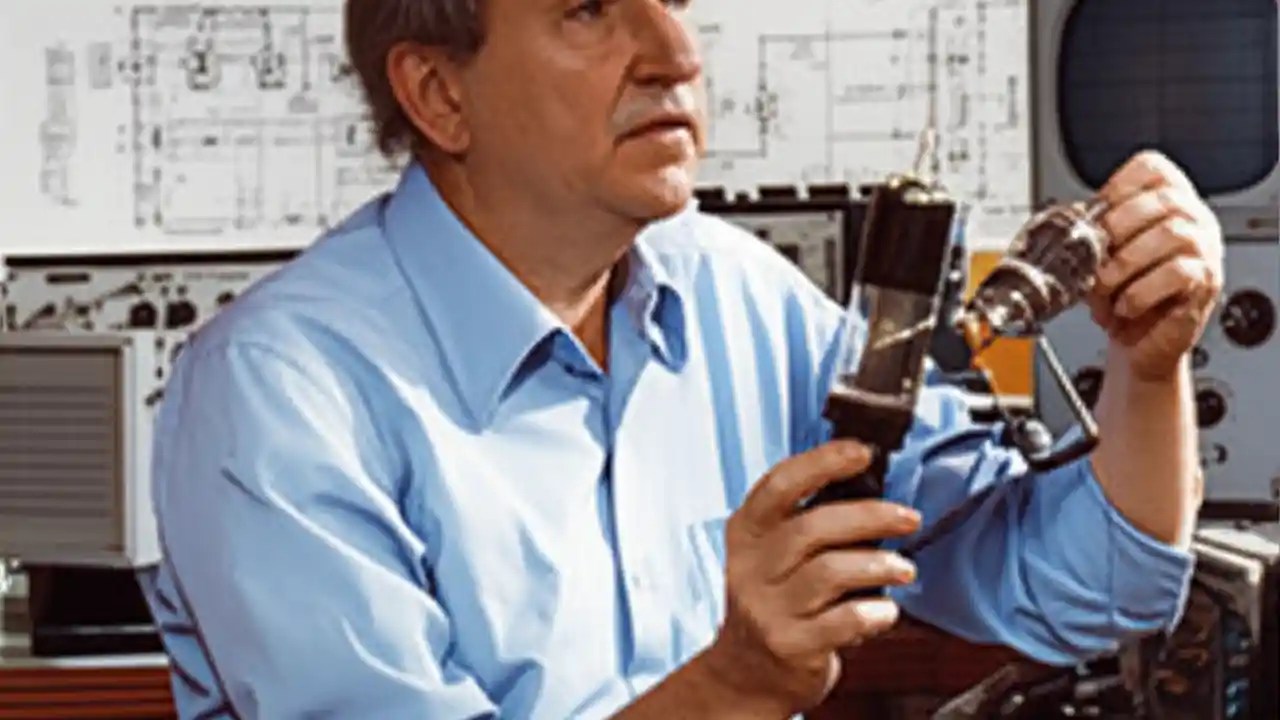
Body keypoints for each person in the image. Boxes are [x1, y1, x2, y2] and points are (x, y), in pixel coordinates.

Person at [134, 0, 1224, 717]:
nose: (675, 53)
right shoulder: (277, 393)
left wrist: (1146, 368)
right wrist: (735, 685)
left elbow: (1087, 590)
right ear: (438, 93)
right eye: (587, 11)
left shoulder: (731, 294)